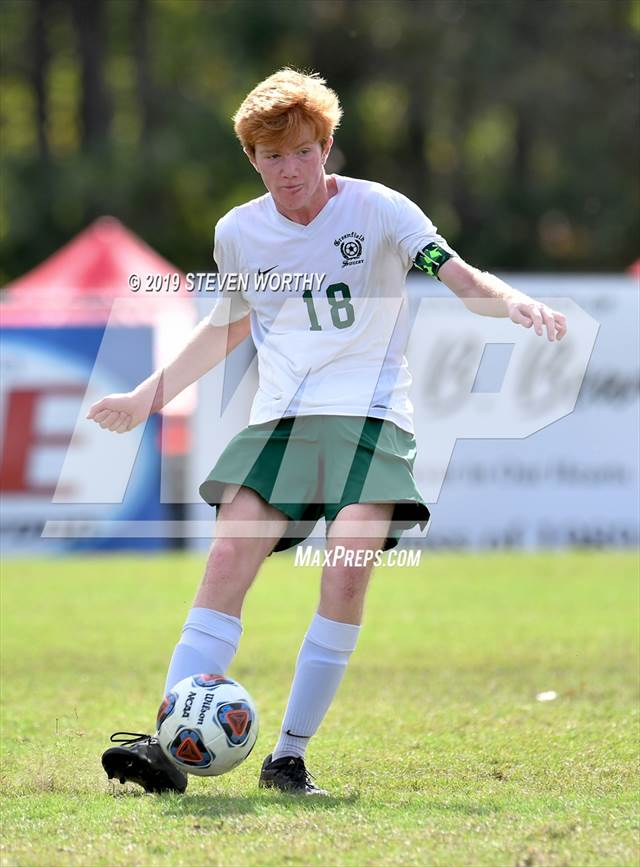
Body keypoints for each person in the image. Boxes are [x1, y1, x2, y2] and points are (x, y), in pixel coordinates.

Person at [90, 68, 567, 797]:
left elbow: (462, 279)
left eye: (304, 152)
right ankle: (166, 745)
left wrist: (514, 303)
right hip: (282, 423)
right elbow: (227, 327)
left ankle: (288, 756)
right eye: (272, 156)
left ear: (326, 146)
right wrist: (145, 397)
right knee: (226, 561)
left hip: (372, 420)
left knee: (345, 570)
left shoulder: (380, 209)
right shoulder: (238, 232)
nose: (291, 169)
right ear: (252, 159)